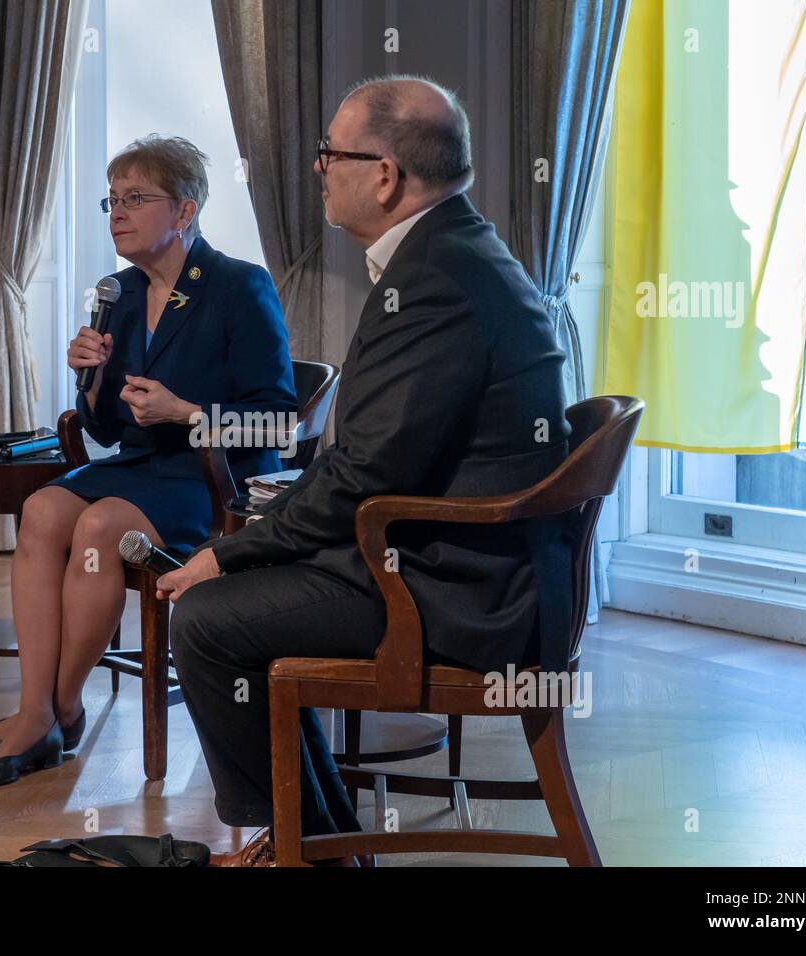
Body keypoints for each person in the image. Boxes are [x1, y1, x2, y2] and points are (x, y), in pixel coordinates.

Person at [156, 76, 573, 866]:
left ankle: (303, 850)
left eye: (329, 155)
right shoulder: (450, 253)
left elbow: (366, 474)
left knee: (207, 618)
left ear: (384, 175)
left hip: (453, 593)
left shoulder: (435, 283)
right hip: (459, 564)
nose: (318, 170)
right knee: (237, 598)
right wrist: (274, 532)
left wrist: (232, 549)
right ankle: (317, 846)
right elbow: (371, 461)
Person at [0, 135, 297, 789]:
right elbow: (105, 428)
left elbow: (277, 418)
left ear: (185, 211)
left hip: (214, 478)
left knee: (101, 524)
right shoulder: (116, 291)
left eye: (135, 198)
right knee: (43, 507)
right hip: (142, 466)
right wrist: (91, 374)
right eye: (111, 199)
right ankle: (37, 712)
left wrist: (187, 411)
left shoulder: (238, 286)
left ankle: (56, 712)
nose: (117, 212)